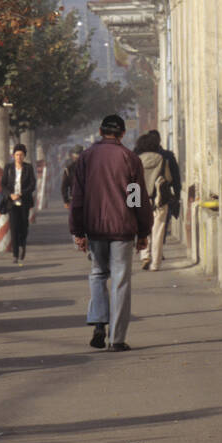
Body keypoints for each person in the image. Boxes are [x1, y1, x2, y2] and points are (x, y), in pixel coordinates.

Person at [69, 114, 151, 350]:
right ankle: (116, 338)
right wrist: (143, 230)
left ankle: (98, 322)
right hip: (123, 229)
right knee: (120, 281)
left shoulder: (85, 158)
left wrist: (78, 231)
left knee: (97, 274)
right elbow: (136, 198)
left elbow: (78, 199)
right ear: (122, 134)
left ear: (100, 130)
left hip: (94, 229)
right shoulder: (130, 158)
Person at [134, 132, 172, 270]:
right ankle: (155, 263)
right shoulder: (161, 159)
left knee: (144, 230)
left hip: (141, 201)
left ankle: (145, 255)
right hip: (159, 200)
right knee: (158, 232)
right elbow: (168, 178)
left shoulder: (136, 160)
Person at [0, 144, 36, 267]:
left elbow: (32, 185)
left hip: (24, 201)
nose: (19, 157)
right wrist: (10, 195)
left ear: (24, 156)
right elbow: (3, 185)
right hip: (12, 202)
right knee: (14, 227)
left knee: (23, 226)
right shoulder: (8, 168)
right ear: (13, 156)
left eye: (21, 155)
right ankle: (15, 254)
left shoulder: (28, 168)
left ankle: (22, 244)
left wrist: (21, 194)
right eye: (16, 155)